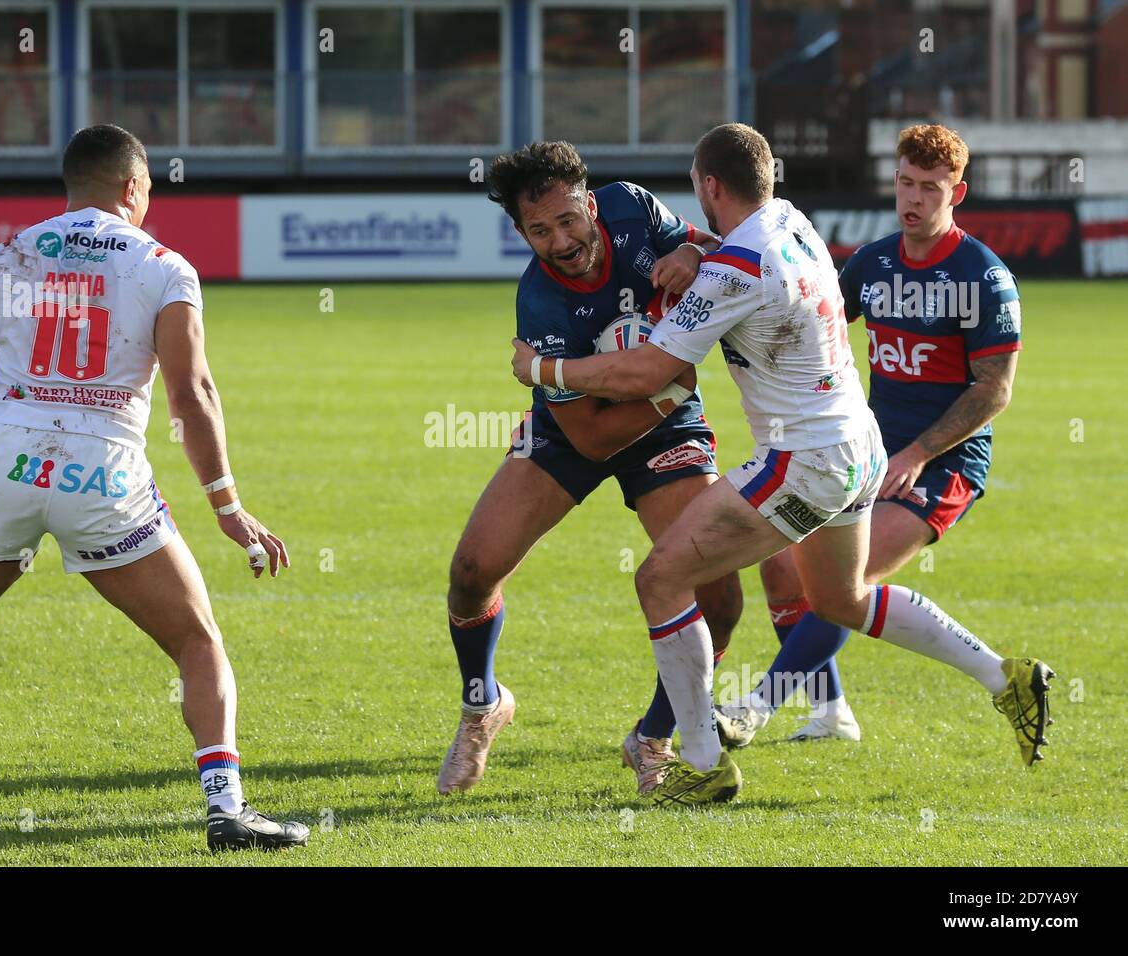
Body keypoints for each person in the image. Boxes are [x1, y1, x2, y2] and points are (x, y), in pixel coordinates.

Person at [510, 123, 1053, 807]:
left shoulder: (734, 270)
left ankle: (702, 765)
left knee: (660, 578)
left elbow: (649, 370)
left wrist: (543, 367)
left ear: (709, 186)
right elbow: (726, 260)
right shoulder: (793, 222)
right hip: (859, 444)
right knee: (840, 599)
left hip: (805, 458)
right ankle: (1006, 679)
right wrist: (694, 253)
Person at [0, 124, 308, 852]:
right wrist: (228, 506)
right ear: (132, 187)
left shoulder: (7, 252)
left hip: (10, 464)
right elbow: (193, 393)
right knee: (194, 638)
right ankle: (225, 810)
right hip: (104, 472)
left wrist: (3, 418)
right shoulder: (162, 265)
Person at [438, 141, 743, 797]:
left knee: (718, 594)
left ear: (591, 202)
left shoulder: (634, 208)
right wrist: (668, 387)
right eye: (539, 231)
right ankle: (482, 703)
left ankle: (653, 737)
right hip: (576, 429)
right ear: (521, 233)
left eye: (568, 219)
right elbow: (594, 438)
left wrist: (692, 252)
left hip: (667, 430)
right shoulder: (540, 305)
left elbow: (716, 242)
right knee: (470, 573)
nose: (561, 241)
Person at [723, 123, 1027, 745]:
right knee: (782, 571)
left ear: (957, 193)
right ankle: (831, 713)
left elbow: (994, 388)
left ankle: (753, 708)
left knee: (842, 588)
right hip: (865, 455)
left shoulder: (983, 277)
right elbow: (812, 309)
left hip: (942, 468)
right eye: (905, 183)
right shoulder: (876, 261)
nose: (914, 199)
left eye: (931, 188)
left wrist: (919, 453)